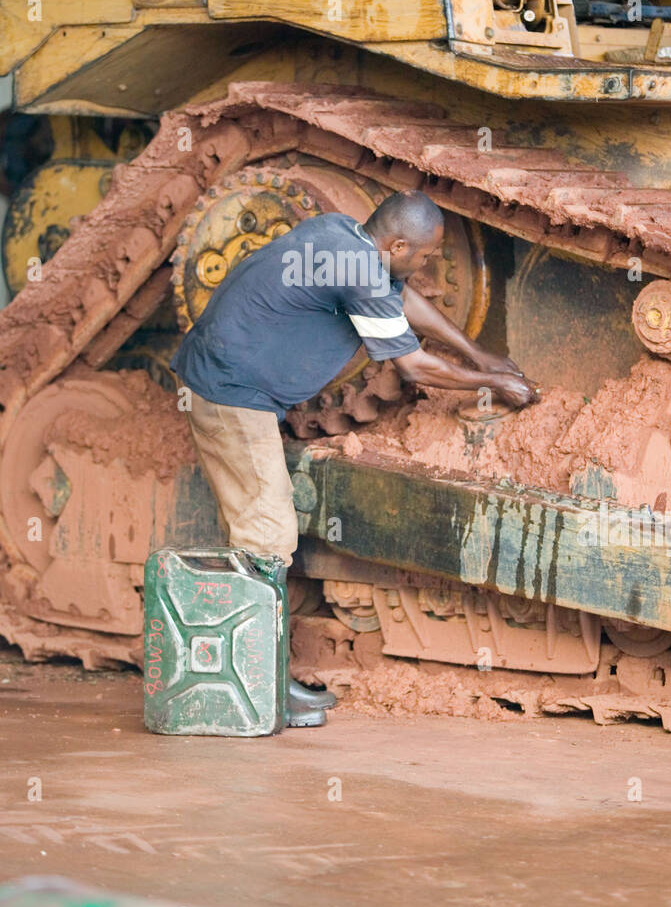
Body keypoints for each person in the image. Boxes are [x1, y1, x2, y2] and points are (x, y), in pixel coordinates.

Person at [170, 190, 538, 725]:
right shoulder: (360, 269)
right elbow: (413, 366)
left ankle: (260, 681)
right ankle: (260, 688)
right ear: (397, 243)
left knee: (261, 535)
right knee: (268, 537)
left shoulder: (344, 236)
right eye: (427, 255)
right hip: (230, 396)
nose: (431, 264)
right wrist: (491, 382)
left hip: (232, 384)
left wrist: (477, 351)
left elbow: (401, 300)